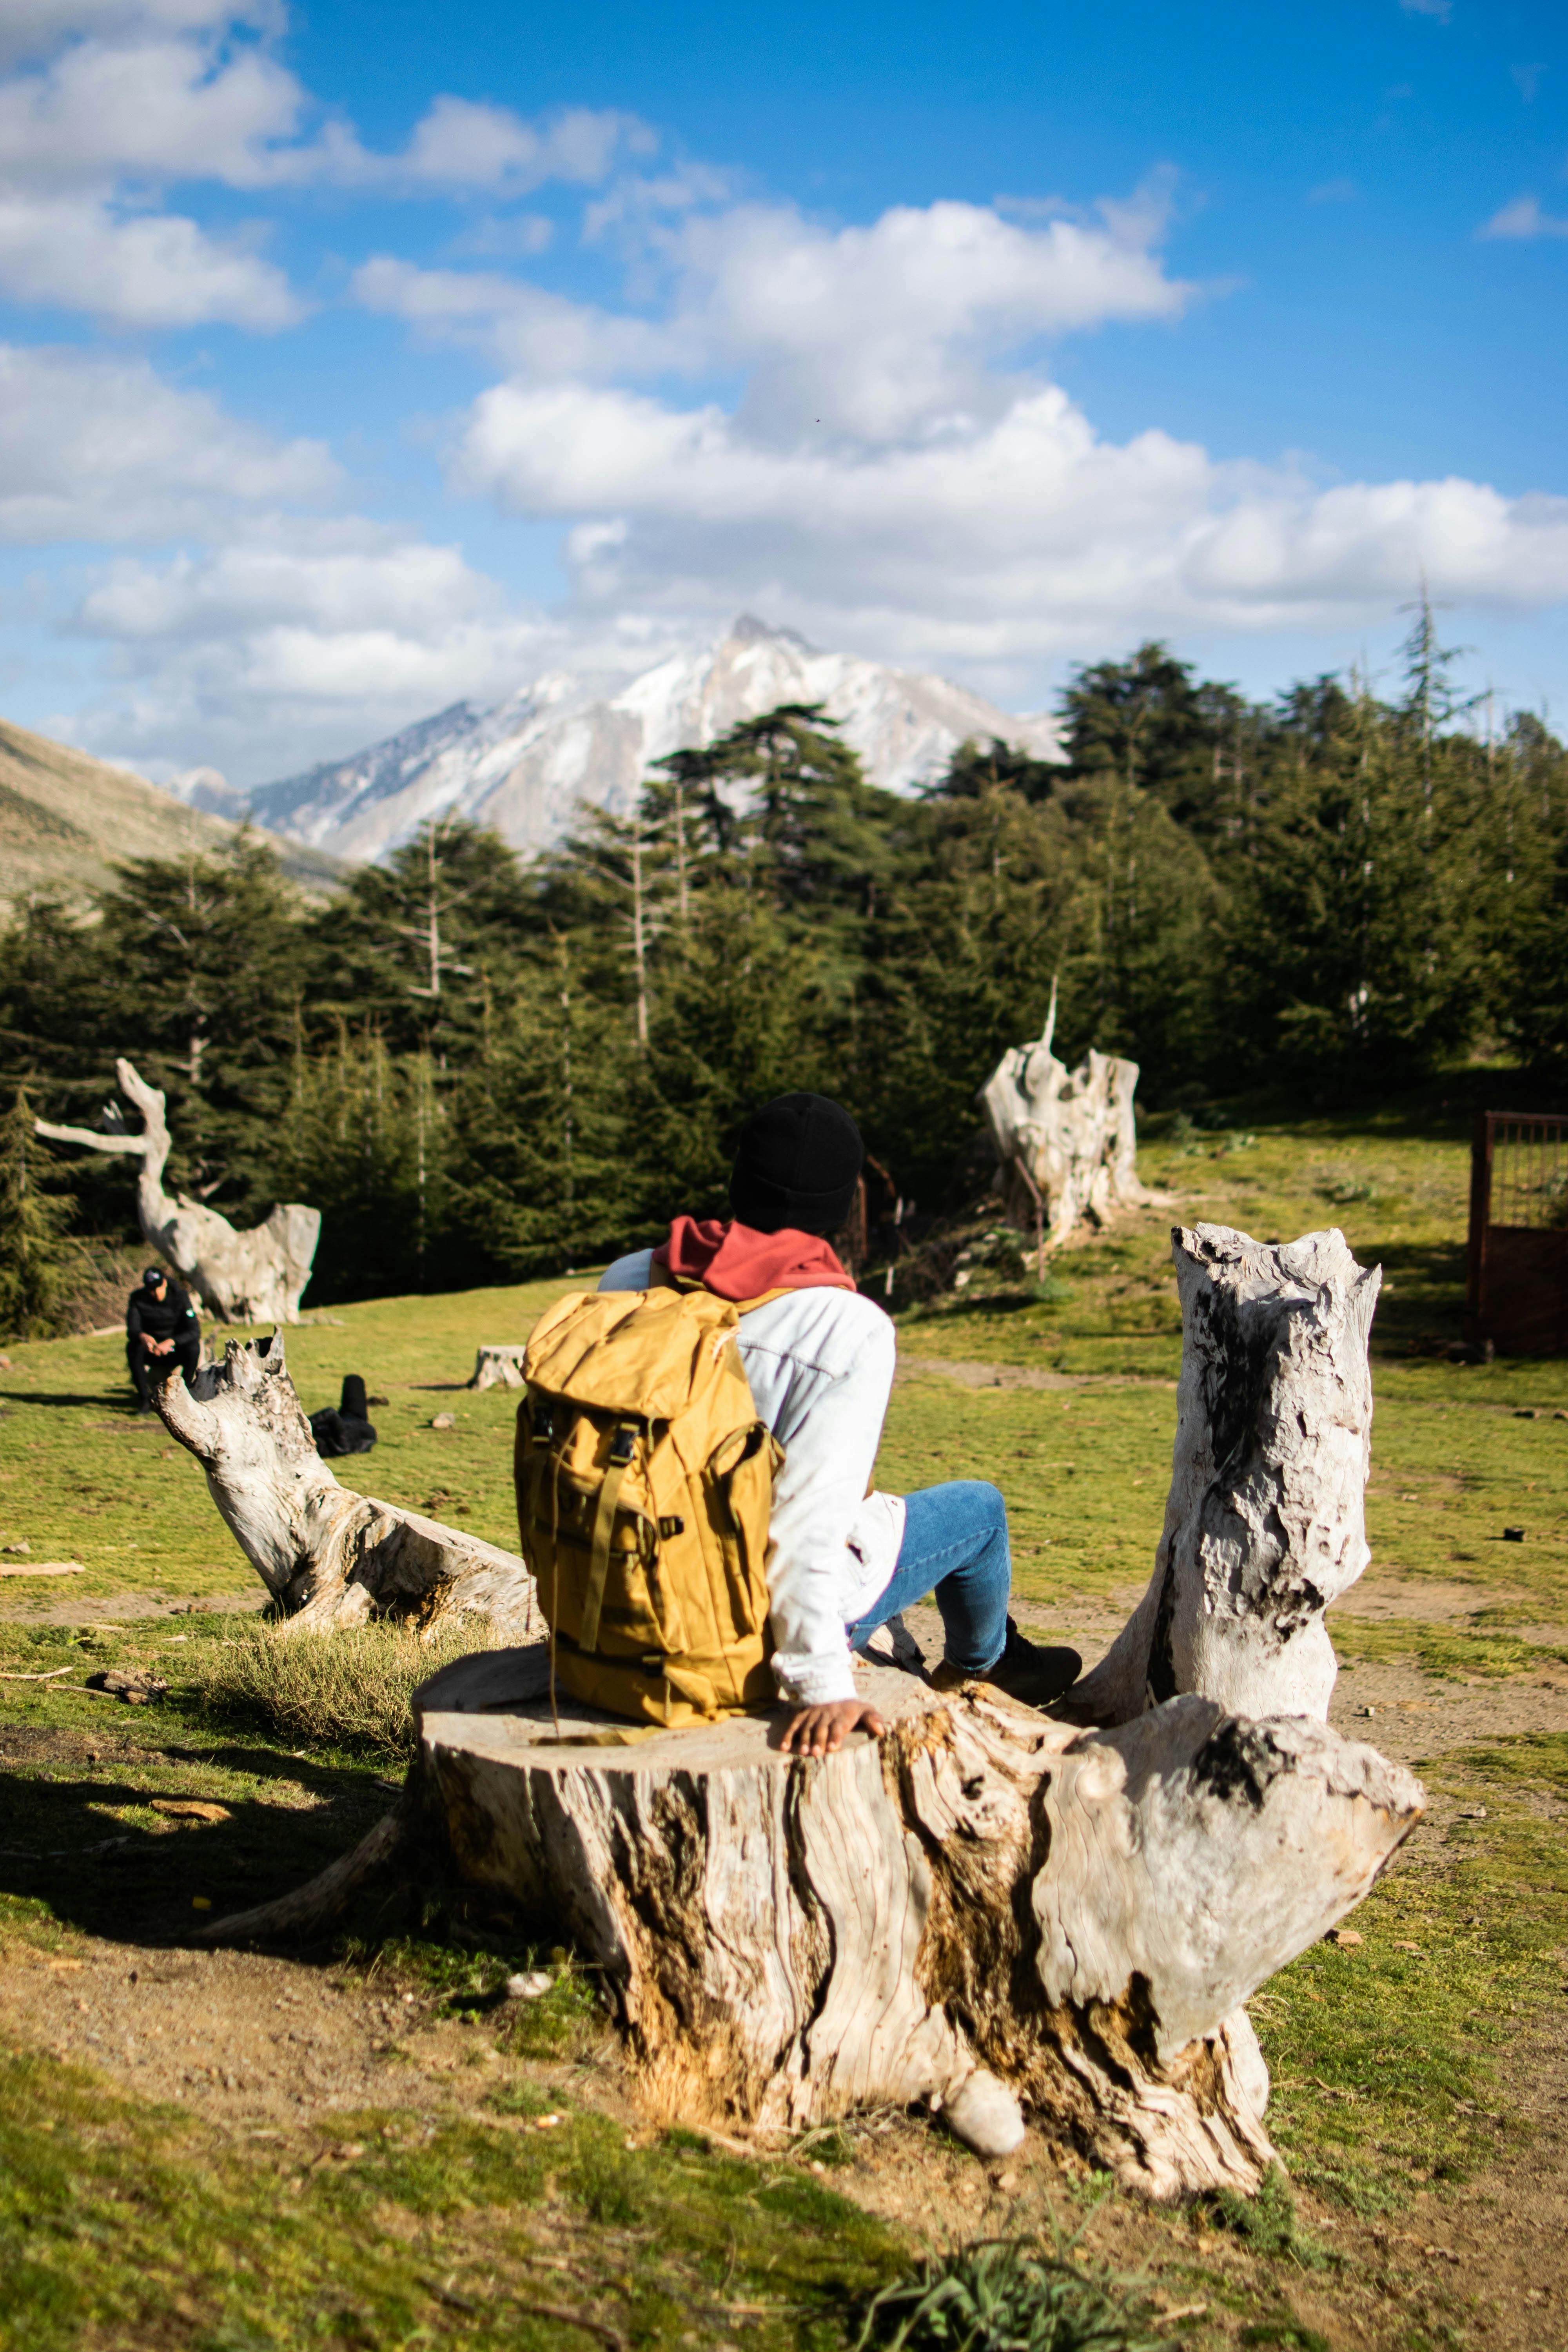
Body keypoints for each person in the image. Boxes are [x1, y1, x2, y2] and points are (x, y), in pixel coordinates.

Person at [598, 1091, 1080, 1758]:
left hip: (609, 1605)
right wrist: (822, 1684)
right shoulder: (844, 1327)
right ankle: (982, 1668)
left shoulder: (631, 1277)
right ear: (836, 1206)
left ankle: (981, 1655)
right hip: (735, 1631)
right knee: (981, 1509)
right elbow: (803, 1528)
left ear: (738, 1183)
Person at [125, 1265, 201, 1413]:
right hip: (151, 1349)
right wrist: (143, 1337)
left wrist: (172, 1342)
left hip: (174, 1348)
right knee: (133, 1348)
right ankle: (145, 1400)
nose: (155, 1293)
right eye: (151, 1290)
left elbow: (194, 1331)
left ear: (165, 1283)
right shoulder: (137, 1299)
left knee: (194, 1347)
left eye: (158, 1288)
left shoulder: (180, 1297)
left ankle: (186, 1393)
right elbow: (133, 1329)